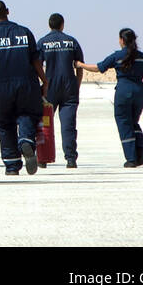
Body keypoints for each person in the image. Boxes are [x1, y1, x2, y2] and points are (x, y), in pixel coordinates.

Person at [0, 0, 48, 175]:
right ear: (8, 11)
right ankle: (26, 141)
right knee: (27, 114)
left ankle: (12, 165)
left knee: (5, 123)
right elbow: (36, 60)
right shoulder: (25, 33)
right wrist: (45, 81)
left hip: (1, 87)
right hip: (26, 84)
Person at [75, 29, 143, 168]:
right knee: (134, 122)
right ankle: (139, 151)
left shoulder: (117, 56)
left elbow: (98, 68)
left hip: (124, 92)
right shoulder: (142, 56)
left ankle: (131, 158)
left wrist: (80, 65)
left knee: (124, 123)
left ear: (122, 40)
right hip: (139, 92)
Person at [37, 13, 83, 168]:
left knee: (45, 124)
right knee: (68, 125)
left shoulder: (43, 42)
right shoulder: (71, 41)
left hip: (49, 88)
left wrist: (42, 84)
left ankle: (43, 158)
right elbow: (79, 66)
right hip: (69, 87)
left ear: (49, 25)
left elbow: (37, 65)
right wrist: (77, 85)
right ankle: (71, 159)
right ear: (62, 25)